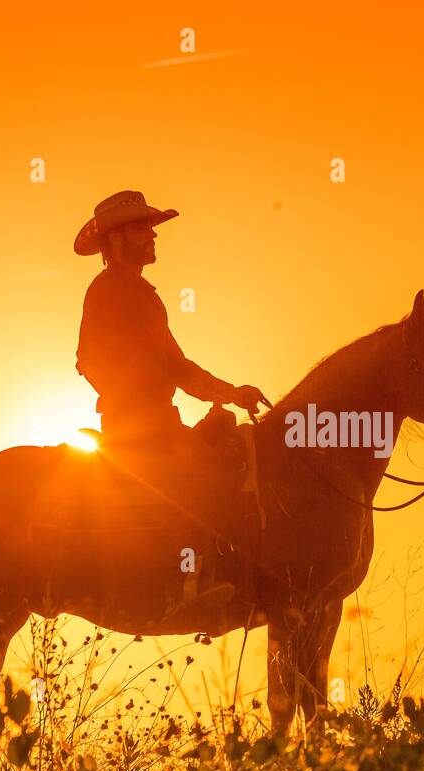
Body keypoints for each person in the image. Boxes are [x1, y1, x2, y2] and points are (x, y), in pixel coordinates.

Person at [72, 190, 271, 622]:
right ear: (117, 239)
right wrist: (133, 391)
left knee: (220, 454)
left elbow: (178, 366)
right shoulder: (106, 290)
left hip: (158, 418)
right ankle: (186, 581)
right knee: (199, 470)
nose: (153, 236)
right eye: (142, 228)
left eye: (150, 227)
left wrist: (232, 393)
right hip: (136, 424)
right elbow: (86, 357)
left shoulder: (143, 294)